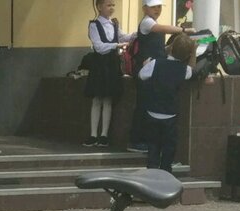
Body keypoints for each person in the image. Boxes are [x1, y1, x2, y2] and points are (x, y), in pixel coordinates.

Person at [127, 0, 192, 153]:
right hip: (145, 70)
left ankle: (147, 141)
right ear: (144, 8)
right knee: (142, 104)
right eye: (153, 7)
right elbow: (162, 28)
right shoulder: (147, 23)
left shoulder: (153, 24)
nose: (157, 10)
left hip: (155, 70)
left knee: (149, 103)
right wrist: (183, 30)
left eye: (159, 7)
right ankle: (136, 141)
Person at [137, 32, 196, 172]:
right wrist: (193, 53)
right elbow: (192, 69)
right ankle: (165, 169)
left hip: (152, 111)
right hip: (170, 114)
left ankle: (151, 168)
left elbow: (141, 75)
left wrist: (146, 64)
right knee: (169, 146)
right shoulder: (184, 70)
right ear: (188, 55)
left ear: (171, 48)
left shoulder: (155, 63)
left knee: (153, 144)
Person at [84, 0, 136, 148]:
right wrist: (117, 45)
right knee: (97, 99)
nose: (112, 8)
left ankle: (104, 135)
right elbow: (99, 47)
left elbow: (124, 37)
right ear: (99, 7)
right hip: (100, 65)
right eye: (108, 5)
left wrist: (136, 34)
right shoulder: (94, 25)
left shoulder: (114, 25)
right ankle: (93, 134)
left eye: (113, 5)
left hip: (112, 65)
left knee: (108, 99)